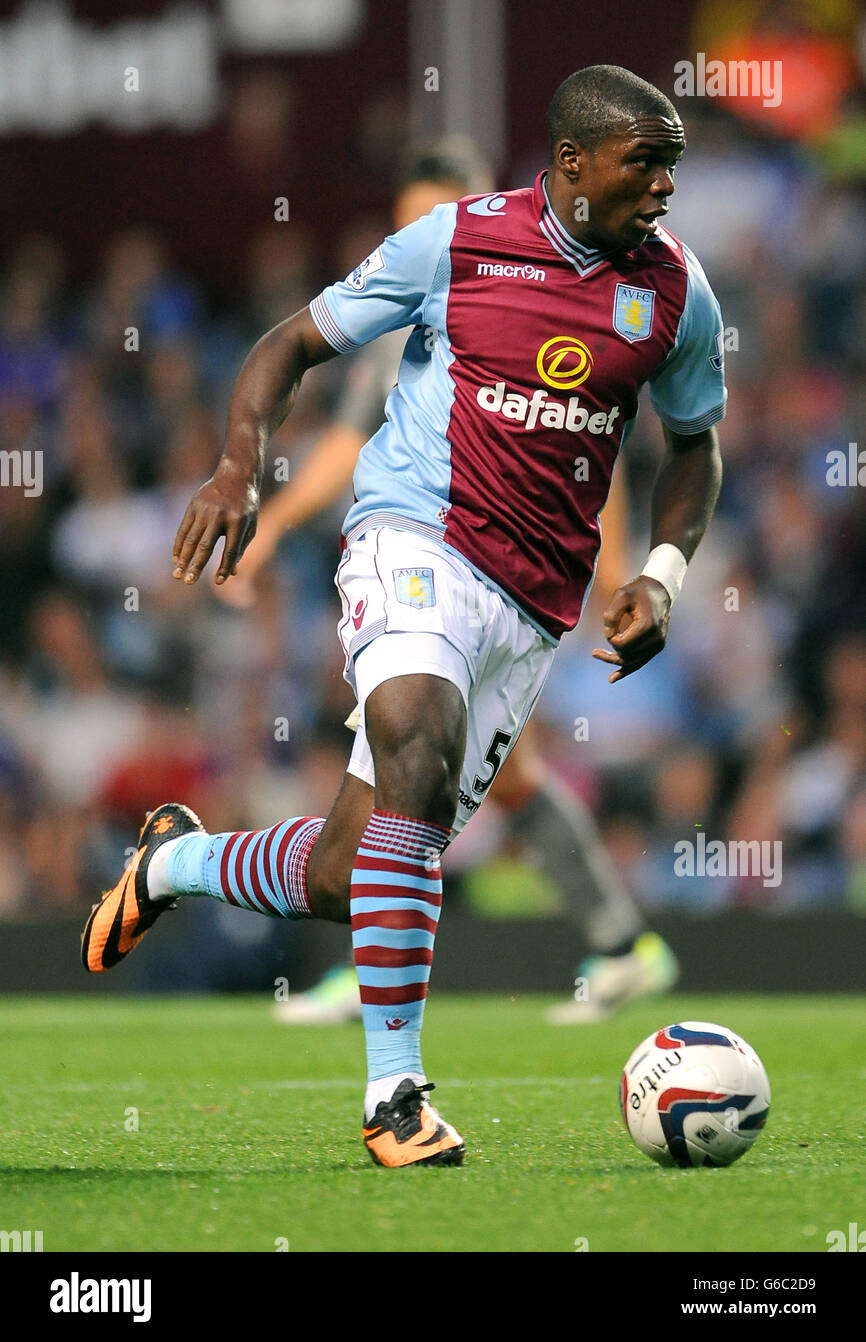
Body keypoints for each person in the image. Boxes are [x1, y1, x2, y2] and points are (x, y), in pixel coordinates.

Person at [82, 65, 725, 1169]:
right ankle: (396, 1100)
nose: (664, 186)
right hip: (411, 537)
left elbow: (692, 447)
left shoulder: (673, 290)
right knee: (416, 759)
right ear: (570, 163)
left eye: (670, 165)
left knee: (351, 869)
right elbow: (288, 344)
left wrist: (660, 570)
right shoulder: (454, 243)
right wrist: (239, 468)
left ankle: (173, 866)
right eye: (645, 162)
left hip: (532, 607)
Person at [224, 145, 679, 1028]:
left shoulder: (521, 293)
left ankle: (382, 957)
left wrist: (624, 570)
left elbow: (596, 452)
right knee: (474, 772)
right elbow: (344, 446)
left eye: (432, 208)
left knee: (446, 769)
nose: (416, 229)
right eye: (407, 210)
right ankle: (620, 943)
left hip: (515, 577)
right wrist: (272, 519)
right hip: (433, 558)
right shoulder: (405, 309)